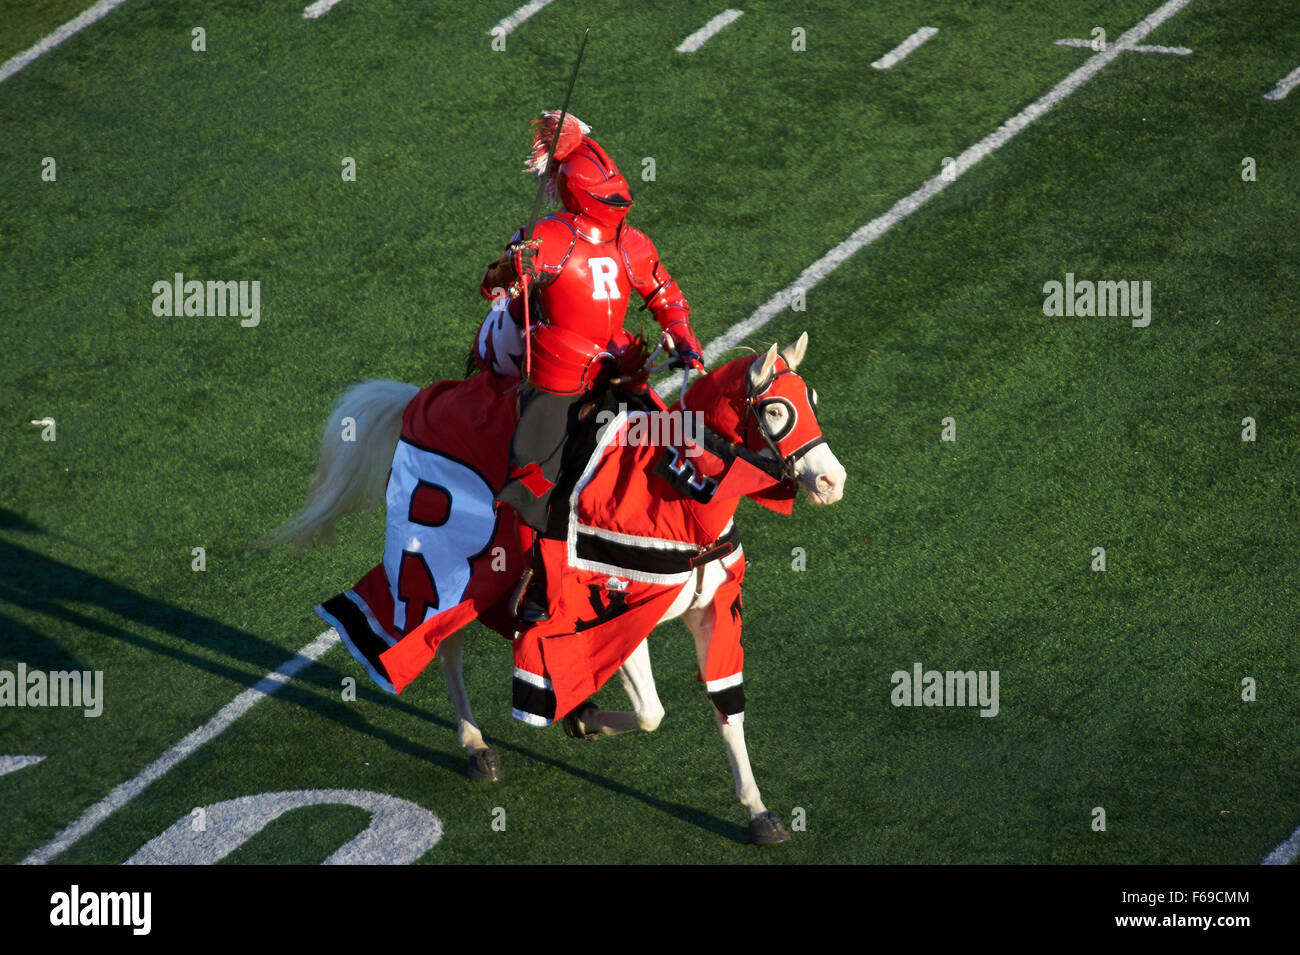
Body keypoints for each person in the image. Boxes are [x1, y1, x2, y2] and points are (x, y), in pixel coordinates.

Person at [481, 111, 704, 620]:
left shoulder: (631, 242)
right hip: (558, 372)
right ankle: (533, 575)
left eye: (620, 197)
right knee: (539, 470)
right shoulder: (550, 236)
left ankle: (694, 532)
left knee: (676, 433)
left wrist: (684, 337)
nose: (617, 206)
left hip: (618, 362)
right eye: (608, 199)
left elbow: (663, 293)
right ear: (583, 195)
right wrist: (515, 265)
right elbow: (495, 289)